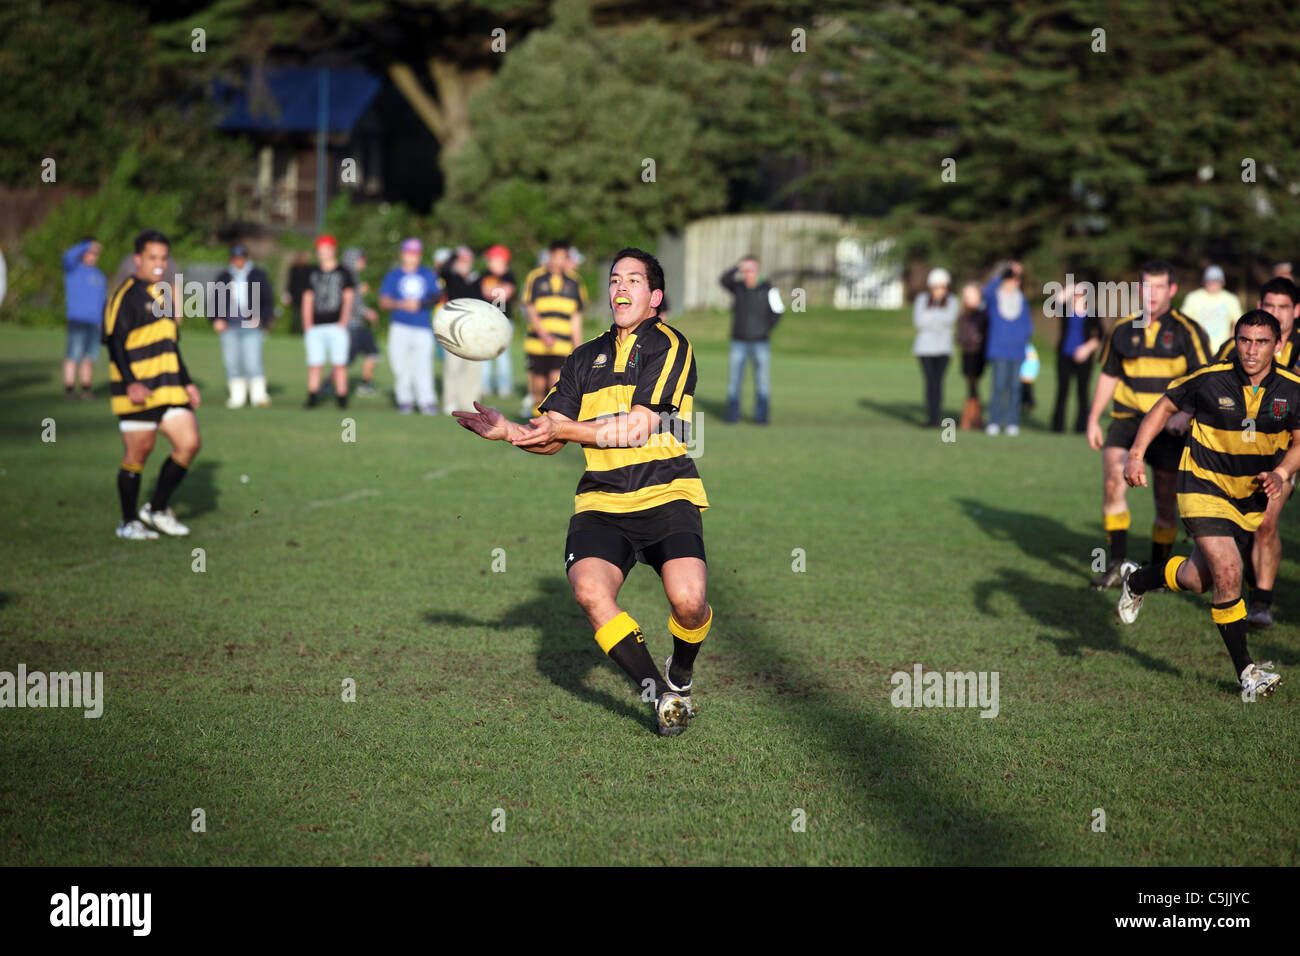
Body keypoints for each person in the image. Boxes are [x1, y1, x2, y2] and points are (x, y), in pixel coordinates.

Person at [454, 248, 711, 737]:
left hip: (665, 493)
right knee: (591, 591)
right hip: (601, 501)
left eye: (634, 280)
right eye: (615, 279)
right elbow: (552, 436)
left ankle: (681, 672)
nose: (621, 287)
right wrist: (510, 431)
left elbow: (636, 429)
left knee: (689, 600)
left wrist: (565, 430)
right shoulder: (581, 358)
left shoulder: (671, 347)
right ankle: (660, 697)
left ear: (654, 297)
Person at [1116, 310, 1297, 698]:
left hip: (1248, 496)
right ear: (1235, 340)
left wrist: (1281, 473)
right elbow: (1163, 407)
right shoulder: (1208, 378)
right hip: (1202, 486)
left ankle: (1137, 578)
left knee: (1199, 580)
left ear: (1278, 345)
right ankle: (1247, 672)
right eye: (1245, 340)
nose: (1251, 350)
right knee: (1230, 570)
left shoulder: (1293, 388)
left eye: (1262, 342)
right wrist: (1135, 454)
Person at [1085, 260, 1212, 588]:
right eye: (1145, 286)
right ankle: (1115, 562)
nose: (1151, 294)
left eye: (1158, 287)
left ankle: (1157, 570)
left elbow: (1206, 381)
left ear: (1171, 290)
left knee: (1165, 498)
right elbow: (1109, 376)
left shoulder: (1189, 330)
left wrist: (1185, 414)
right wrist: (1093, 418)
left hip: (1169, 426)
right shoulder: (1123, 328)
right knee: (1113, 480)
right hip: (1127, 418)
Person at [1208, 276, 1300, 626]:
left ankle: (1262, 602)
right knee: (1252, 524)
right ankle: (1254, 592)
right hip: (1245, 451)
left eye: (1283, 307)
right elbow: (1206, 385)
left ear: (1296, 311)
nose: (1275, 311)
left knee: (1267, 521)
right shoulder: (1237, 350)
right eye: (1269, 305)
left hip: (1289, 449)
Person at [103, 230, 202, 540]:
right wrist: (130, 383)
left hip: (170, 387)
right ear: (138, 259)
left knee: (189, 443)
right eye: (152, 258)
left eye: (163, 258)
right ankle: (128, 521)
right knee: (139, 453)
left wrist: (187, 382)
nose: (159, 264)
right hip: (139, 388)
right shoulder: (125, 295)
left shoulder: (165, 294)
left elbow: (171, 344)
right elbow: (115, 342)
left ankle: (156, 509)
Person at [521, 240, 587, 417]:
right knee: (538, 385)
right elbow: (530, 308)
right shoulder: (535, 278)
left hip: (562, 343)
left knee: (554, 381)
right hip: (537, 342)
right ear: (549, 256)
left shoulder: (575, 282)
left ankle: (549, 421)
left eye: (562, 257)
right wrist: (543, 334)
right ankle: (537, 417)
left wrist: (578, 345)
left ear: (567, 259)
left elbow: (576, 316)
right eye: (555, 256)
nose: (558, 261)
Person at [379, 238, 441, 415]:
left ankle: (426, 401)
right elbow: (384, 301)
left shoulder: (427, 274)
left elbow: (436, 296)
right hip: (400, 326)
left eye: (415, 254)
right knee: (400, 365)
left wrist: (419, 305)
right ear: (402, 254)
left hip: (422, 326)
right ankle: (405, 400)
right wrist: (402, 305)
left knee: (423, 366)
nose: (412, 257)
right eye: (409, 253)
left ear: (419, 256)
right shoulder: (393, 275)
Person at [720, 255, 784, 424]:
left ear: (758, 270)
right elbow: (723, 279)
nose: (749, 273)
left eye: (752, 269)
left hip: (760, 342)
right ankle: (732, 415)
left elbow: (778, 311)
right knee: (734, 381)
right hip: (738, 341)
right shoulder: (738, 287)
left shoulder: (768, 289)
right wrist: (738, 266)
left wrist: (765, 328)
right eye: (746, 270)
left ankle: (761, 417)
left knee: (762, 381)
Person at [211, 243, 274, 408]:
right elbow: (213, 301)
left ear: (246, 258)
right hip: (230, 325)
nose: (239, 262)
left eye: (241, 258)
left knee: (253, 361)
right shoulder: (224, 276)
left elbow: (268, 300)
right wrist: (216, 319)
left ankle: (258, 396)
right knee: (232, 362)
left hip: (251, 325)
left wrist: (263, 319)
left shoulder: (258, 275)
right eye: (235, 258)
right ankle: (237, 396)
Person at [301, 235, 355, 409]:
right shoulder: (313, 272)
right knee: (315, 363)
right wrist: (307, 324)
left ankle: (342, 399)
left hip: (336, 325)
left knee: (339, 364)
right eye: (321, 250)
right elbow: (307, 298)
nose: (324, 253)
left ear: (333, 250)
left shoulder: (343, 272)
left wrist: (343, 321)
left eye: (327, 249)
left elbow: (348, 297)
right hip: (316, 325)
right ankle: (312, 398)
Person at [982, 262, 1033, 436]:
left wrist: (1022, 340)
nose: (1014, 282)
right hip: (999, 350)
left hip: (1017, 351)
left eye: (1016, 279)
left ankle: (1012, 422)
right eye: (1011, 279)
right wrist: (1004, 272)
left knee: (1015, 388)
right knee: (998, 386)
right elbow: (986, 291)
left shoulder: (1022, 300)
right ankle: (994, 421)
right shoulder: (995, 297)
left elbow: (1028, 326)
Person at [439, 245, 485, 415]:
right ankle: (451, 401)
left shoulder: (477, 280)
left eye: (467, 260)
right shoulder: (452, 278)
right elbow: (443, 270)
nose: (465, 264)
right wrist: (454, 255)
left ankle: (469, 403)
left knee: (473, 368)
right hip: (454, 328)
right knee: (453, 367)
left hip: (474, 330)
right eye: (461, 261)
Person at [1051, 281, 1102, 433]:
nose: (1077, 296)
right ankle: (1057, 427)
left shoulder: (1092, 312)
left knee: (1082, 392)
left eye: (1081, 294)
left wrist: (1086, 349)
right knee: (1062, 391)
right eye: (1075, 294)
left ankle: (1081, 427)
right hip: (1064, 356)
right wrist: (1067, 289)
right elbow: (1053, 304)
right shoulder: (1066, 310)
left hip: (1084, 358)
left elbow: (1099, 335)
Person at [62, 238, 107, 400]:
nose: (92, 256)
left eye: (95, 253)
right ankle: (69, 388)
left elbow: (103, 300)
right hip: (78, 320)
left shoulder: (99, 275)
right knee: (74, 354)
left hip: (95, 322)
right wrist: (86, 245)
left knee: (89, 357)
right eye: (89, 252)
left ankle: (86, 388)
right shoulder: (73, 269)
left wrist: (104, 321)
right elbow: (67, 256)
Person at [912, 268, 957, 427]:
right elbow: (918, 322)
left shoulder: (952, 300)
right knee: (929, 382)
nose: (940, 290)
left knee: (939, 383)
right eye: (937, 286)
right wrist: (939, 318)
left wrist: (930, 316)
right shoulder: (921, 299)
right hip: (925, 349)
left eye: (943, 286)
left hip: (943, 349)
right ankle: (931, 417)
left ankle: (937, 417)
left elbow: (950, 319)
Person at [479, 244, 517, 397]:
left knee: (502, 354)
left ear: (501, 260)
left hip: (504, 320)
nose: (489, 261)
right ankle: (485, 386)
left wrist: (496, 290)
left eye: (492, 258)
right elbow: (486, 292)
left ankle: (504, 386)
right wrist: (498, 290)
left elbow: (505, 293)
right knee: (485, 354)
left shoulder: (509, 276)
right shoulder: (485, 274)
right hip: (487, 319)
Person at [341, 247, 381, 396]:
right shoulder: (348, 278)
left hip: (358, 325)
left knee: (373, 352)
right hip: (351, 326)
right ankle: (327, 384)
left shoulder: (353, 277)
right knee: (345, 360)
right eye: (361, 259)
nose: (364, 262)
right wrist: (367, 312)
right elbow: (351, 303)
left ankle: (365, 384)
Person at [1180, 265, 1243, 354]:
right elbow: (1183, 320)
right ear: (1204, 281)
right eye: (1210, 281)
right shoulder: (1193, 297)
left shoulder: (1231, 299)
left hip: (1223, 350)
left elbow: (1237, 322)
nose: (1213, 284)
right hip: (1197, 349)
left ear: (1223, 282)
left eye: (1216, 281)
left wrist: (1229, 343)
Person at [956, 282, 988, 430]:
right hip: (967, 353)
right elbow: (961, 334)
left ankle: (970, 418)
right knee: (971, 386)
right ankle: (973, 418)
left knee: (973, 386)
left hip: (977, 353)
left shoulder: (982, 313)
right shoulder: (964, 314)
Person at [283, 251, 313, 334]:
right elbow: (290, 283)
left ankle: (304, 330)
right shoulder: (294, 269)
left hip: (306, 295)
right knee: (295, 315)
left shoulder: (309, 269)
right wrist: (288, 294)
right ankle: (295, 331)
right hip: (296, 295)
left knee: (305, 314)